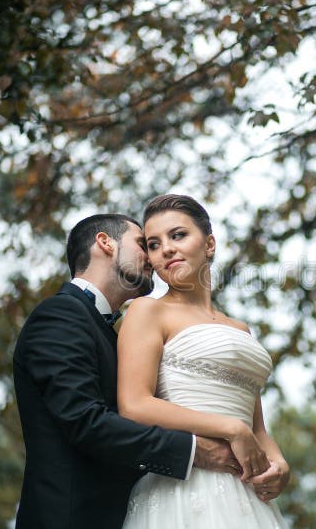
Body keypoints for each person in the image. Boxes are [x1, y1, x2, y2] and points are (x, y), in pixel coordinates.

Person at [13, 213, 241, 529]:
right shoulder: (60, 314)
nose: (152, 257)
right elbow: (85, 422)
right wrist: (194, 451)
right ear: (105, 243)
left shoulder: (116, 334)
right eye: (143, 244)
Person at [118, 195, 290, 528]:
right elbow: (134, 404)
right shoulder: (147, 311)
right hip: (182, 488)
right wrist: (230, 429)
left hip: (248, 497)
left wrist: (278, 462)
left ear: (209, 243)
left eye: (177, 235)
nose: (166, 249)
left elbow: (256, 426)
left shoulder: (239, 328)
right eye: (154, 244)